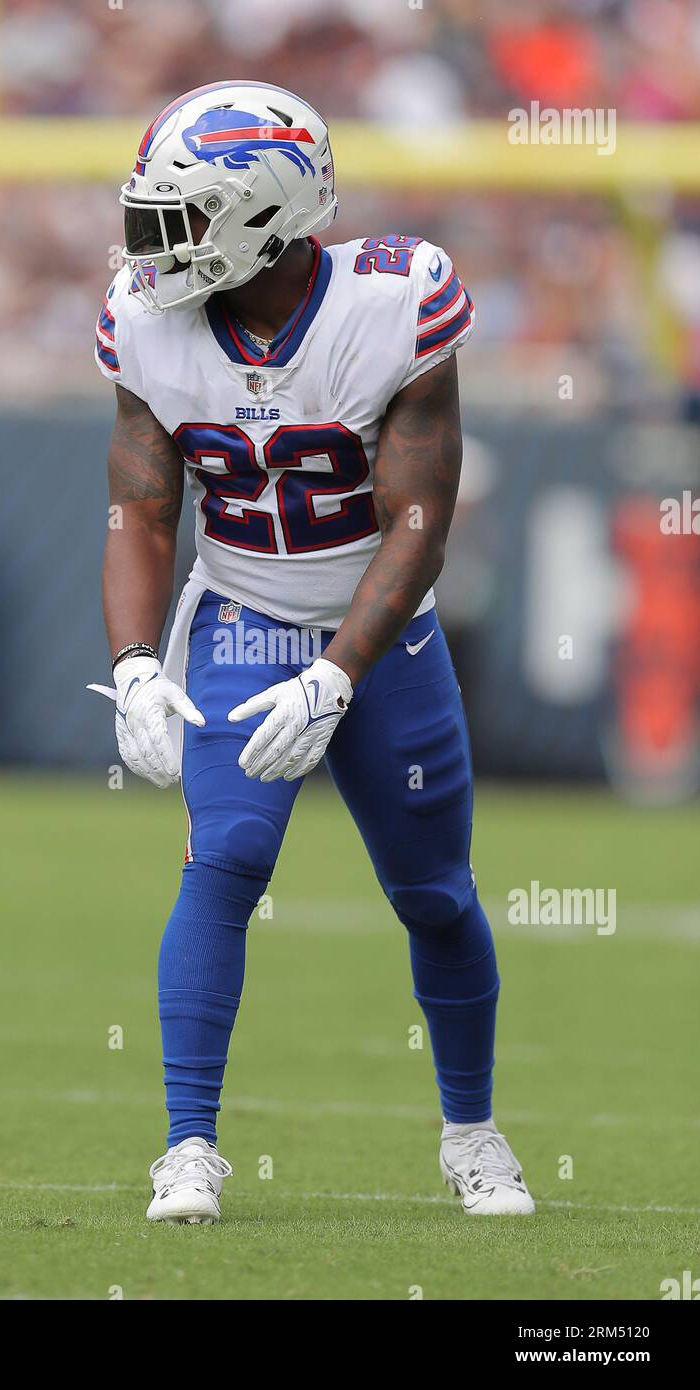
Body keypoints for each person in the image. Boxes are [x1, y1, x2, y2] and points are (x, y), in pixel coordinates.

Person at [90, 81, 534, 1222]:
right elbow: (140, 512)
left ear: (265, 216)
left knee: (432, 893)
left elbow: (421, 520)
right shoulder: (147, 319)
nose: (149, 248)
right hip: (238, 612)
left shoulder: (392, 302)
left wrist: (339, 671)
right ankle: (187, 1147)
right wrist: (138, 659)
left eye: (177, 218)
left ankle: (470, 1130)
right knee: (223, 862)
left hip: (381, 633)